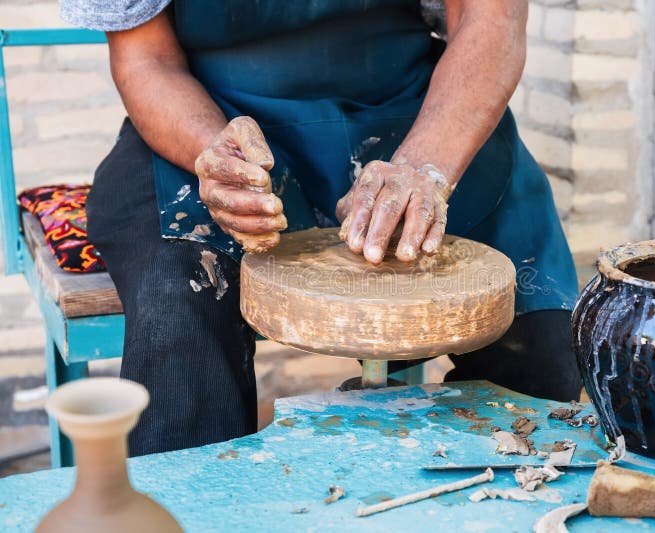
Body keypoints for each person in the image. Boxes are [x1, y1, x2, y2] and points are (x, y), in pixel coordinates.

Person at [61, 0, 582, 456]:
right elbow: (145, 59)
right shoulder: (208, 135)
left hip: (415, 115)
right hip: (210, 115)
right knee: (179, 304)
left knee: (539, 341)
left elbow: (490, 20)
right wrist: (212, 153)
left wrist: (425, 166)